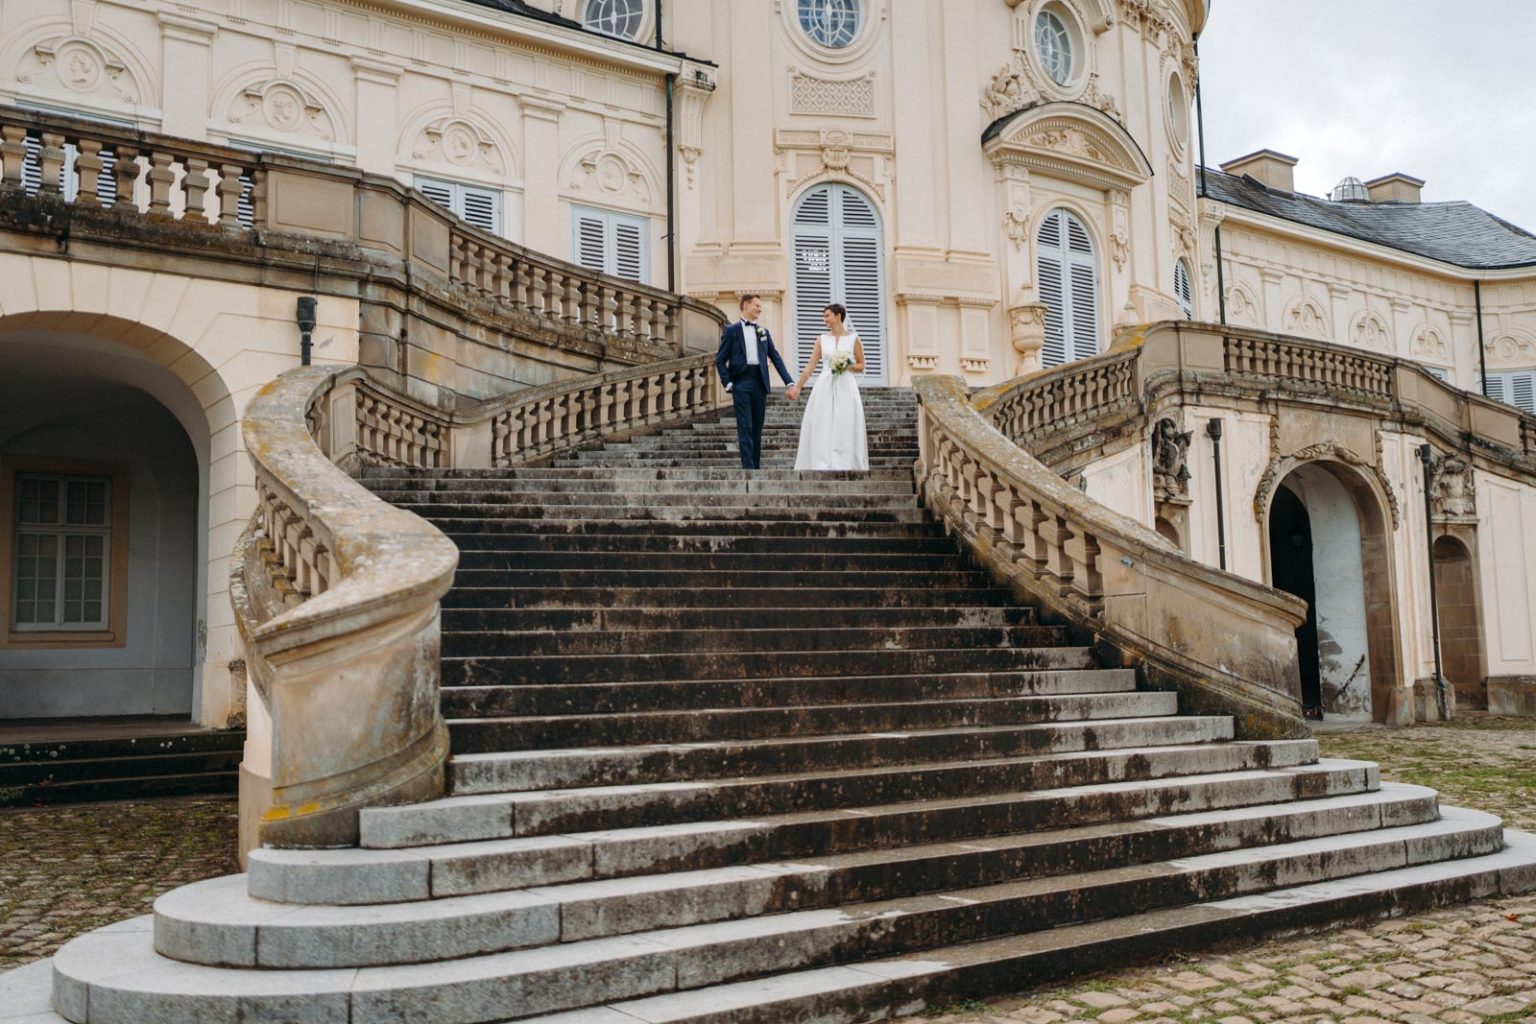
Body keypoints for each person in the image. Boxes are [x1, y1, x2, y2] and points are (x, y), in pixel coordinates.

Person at [715, 294, 799, 470]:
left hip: (759, 383)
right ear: (746, 305)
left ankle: (756, 466)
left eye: (760, 306)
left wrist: (789, 382)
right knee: (745, 425)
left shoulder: (763, 332)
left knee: (757, 427)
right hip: (741, 382)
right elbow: (720, 359)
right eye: (757, 305)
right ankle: (748, 468)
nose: (760, 309)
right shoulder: (731, 330)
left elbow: (775, 357)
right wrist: (728, 382)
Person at [790, 303, 869, 472]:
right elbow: (810, 366)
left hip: (846, 385)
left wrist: (847, 366)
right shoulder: (821, 339)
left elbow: (862, 365)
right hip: (825, 384)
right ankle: (821, 461)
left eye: (827, 315)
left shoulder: (853, 339)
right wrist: (797, 387)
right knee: (822, 421)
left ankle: (844, 461)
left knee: (844, 422)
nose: (824, 319)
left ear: (838, 316)